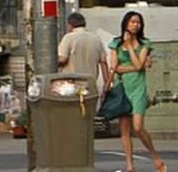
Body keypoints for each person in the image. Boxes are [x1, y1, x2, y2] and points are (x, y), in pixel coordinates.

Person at [106, 11, 164, 172]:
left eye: (138, 22)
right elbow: (115, 67)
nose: (135, 25)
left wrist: (131, 47)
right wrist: (136, 66)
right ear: (125, 24)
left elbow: (139, 65)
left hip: (138, 88)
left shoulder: (145, 43)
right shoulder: (115, 43)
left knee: (138, 127)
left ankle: (155, 157)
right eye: (132, 22)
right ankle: (129, 165)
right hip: (122, 88)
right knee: (124, 129)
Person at [58, 12, 109, 84]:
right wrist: (107, 83)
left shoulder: (68, 37)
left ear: (69, 25)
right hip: (91, 84)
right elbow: (103, 62)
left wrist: (50, 63)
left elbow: (62, 59)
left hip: (72, 83)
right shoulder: (96, 38)